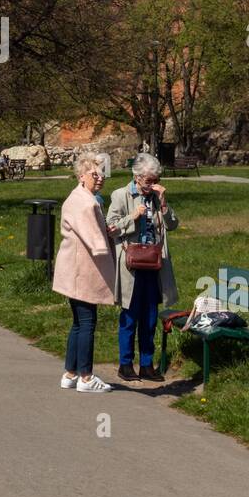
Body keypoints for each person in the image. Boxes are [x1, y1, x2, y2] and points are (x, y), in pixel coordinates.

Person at [107, 153, 179, 383]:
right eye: (148, 180)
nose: (152, 185)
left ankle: (147, 365)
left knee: (149, 317)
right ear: (136, 177)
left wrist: (164, 202)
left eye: (155, 180)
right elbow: (111, 228)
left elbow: (173, 225)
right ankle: (125, 364)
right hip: (131, 265)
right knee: (129, 315)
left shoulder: (157, 197)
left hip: (154, 264)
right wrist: (132, 217)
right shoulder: (120, 195)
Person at [54, 152, 117, 393]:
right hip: (84, 269)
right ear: (82, 175)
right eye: (94, 174)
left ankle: (70, 373)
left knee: (79, 323)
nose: (100, 178)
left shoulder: (77, 196)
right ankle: (86, 377)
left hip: (73, 268)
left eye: (102, 174)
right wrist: (106, 236)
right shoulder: (88, 202)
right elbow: (95, 241)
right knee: (88, 322)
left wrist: (104, 229)